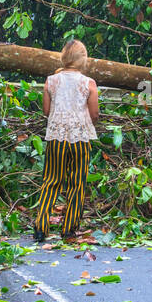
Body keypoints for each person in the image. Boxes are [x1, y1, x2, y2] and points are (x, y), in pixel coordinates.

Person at [33, 39, 99, 242]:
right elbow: (94, 114)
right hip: (80, 138)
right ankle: (69, 230)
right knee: (77, 183)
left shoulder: (50, 81)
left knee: (51, 180)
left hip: (56, 136)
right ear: (83, 60)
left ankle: (41, 227)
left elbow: (46, 111)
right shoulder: (89, 83)